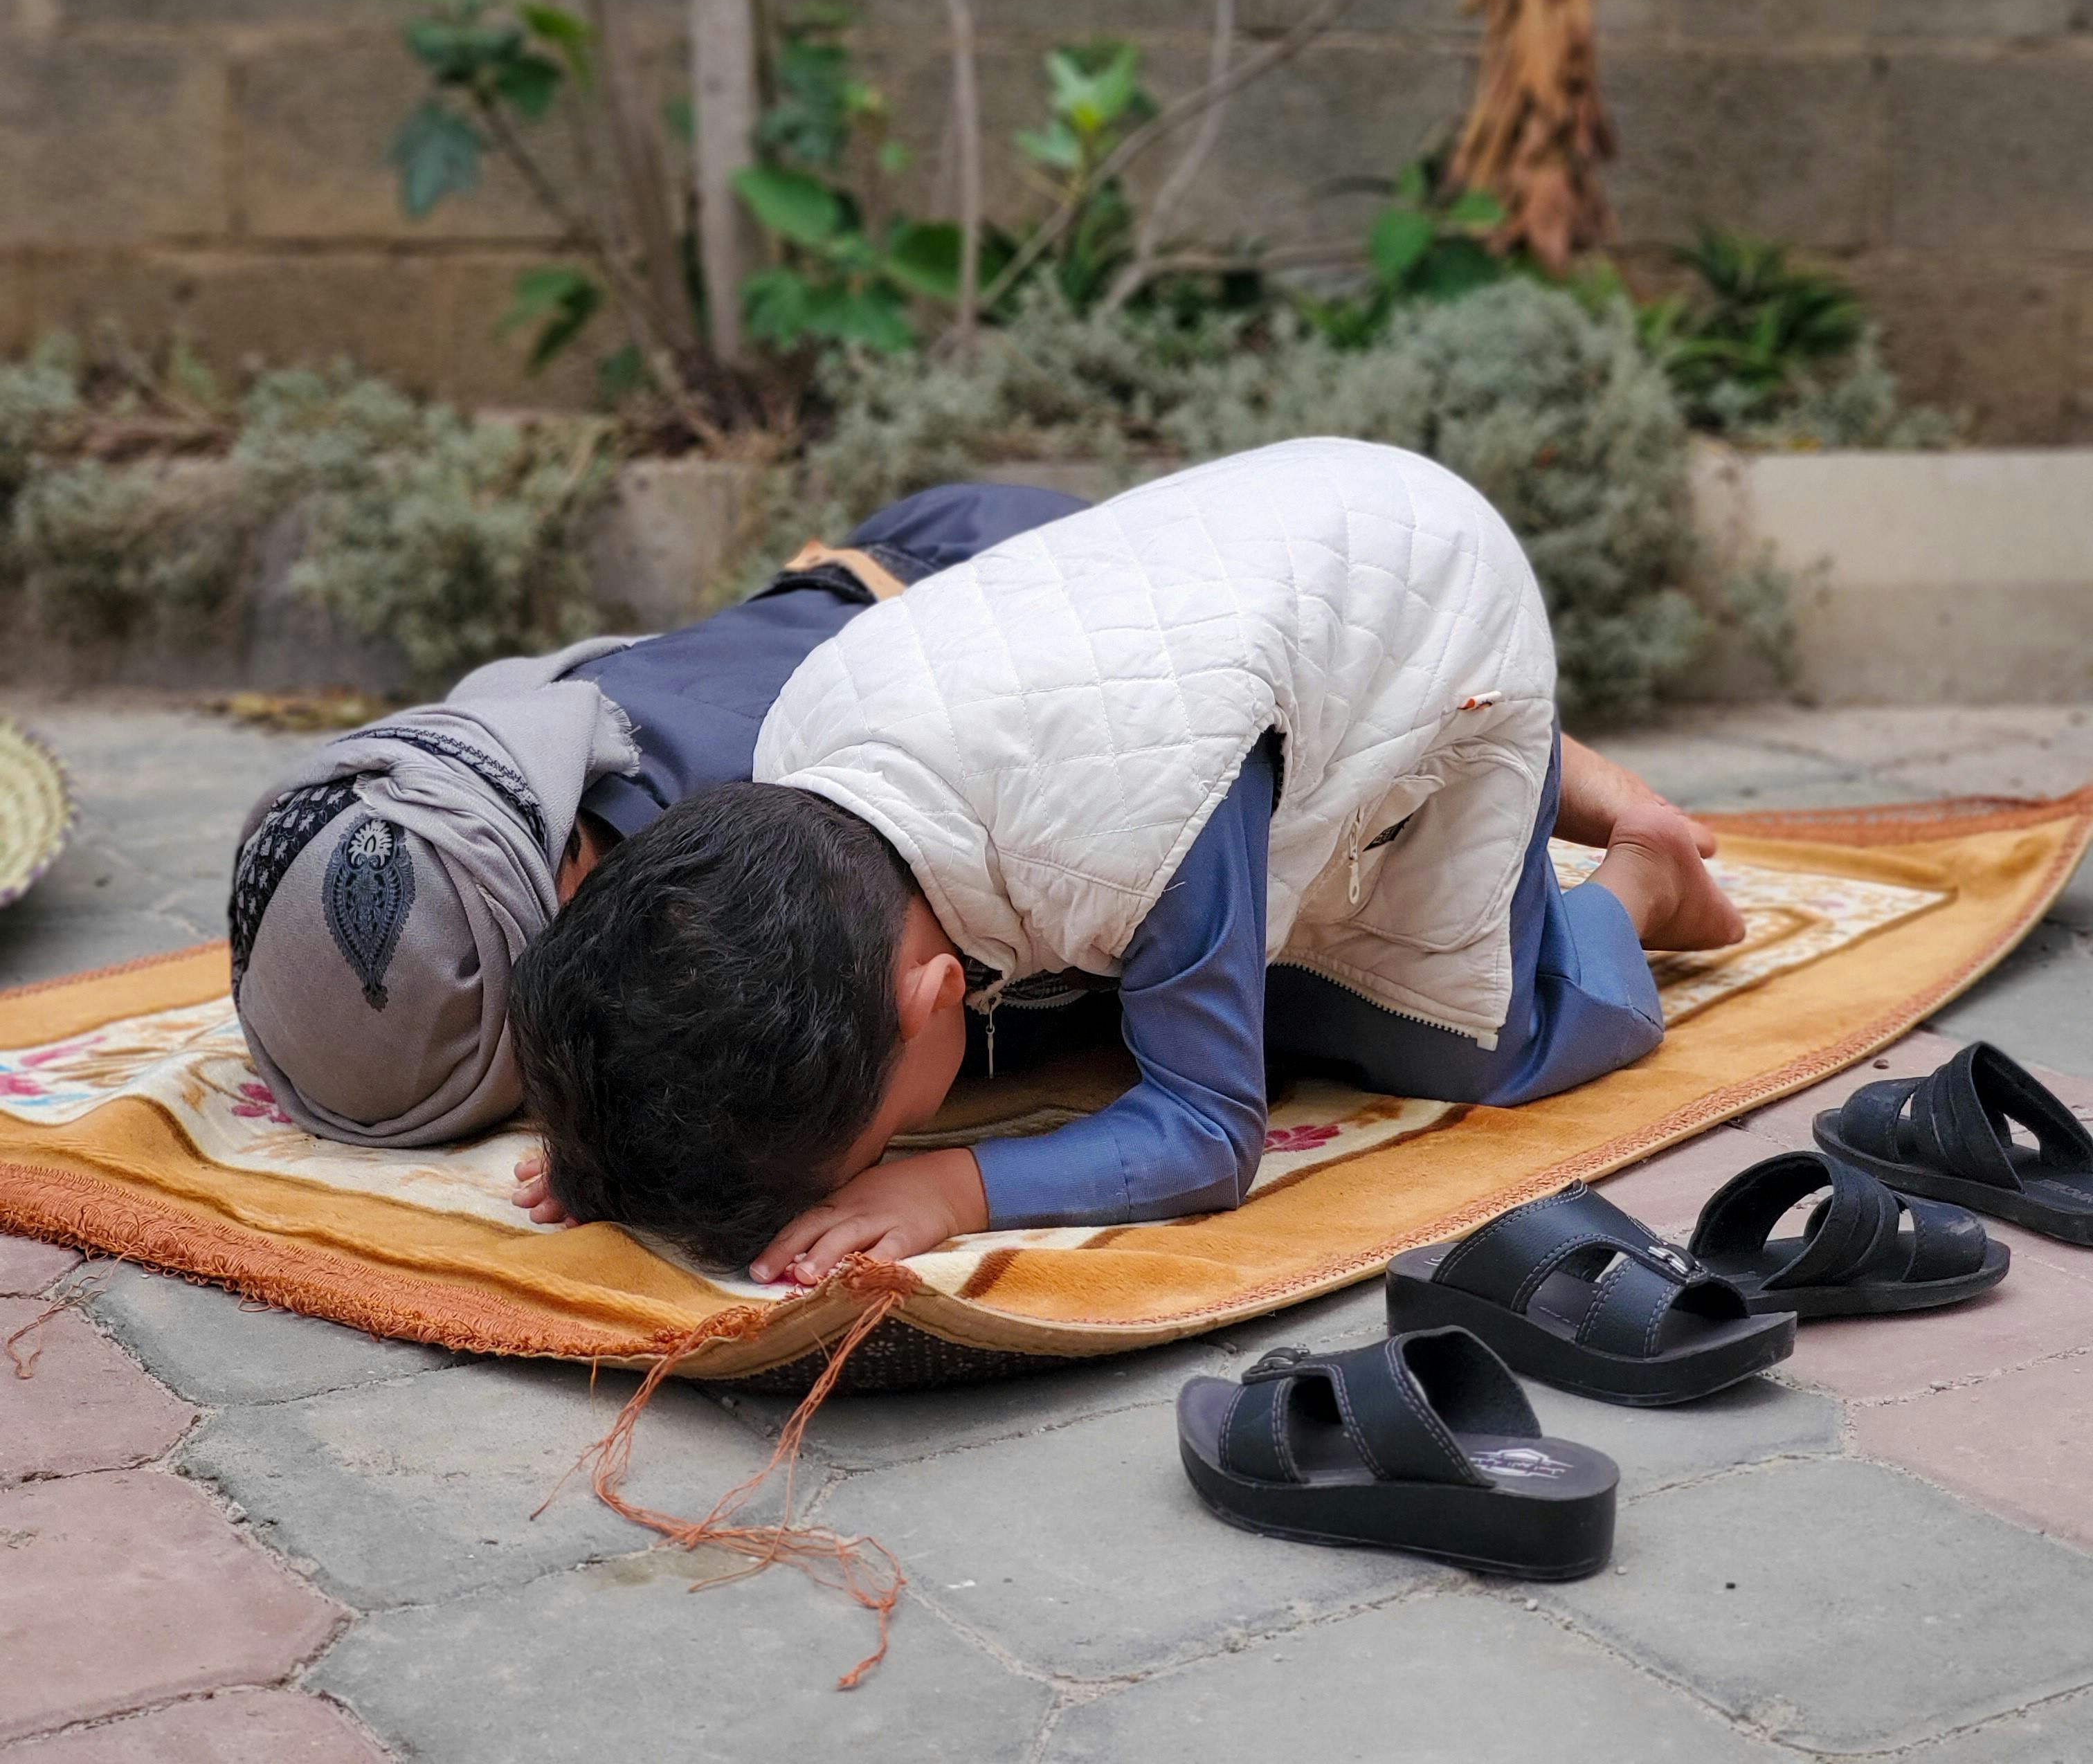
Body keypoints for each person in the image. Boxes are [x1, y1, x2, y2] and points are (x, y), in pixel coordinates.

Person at [506, 437, 1742, 1280]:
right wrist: (616, 1147)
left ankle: (1637, 874)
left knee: (1460, 1044)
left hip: (1425, 591)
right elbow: (691, 968)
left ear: (935, 995)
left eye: (877, 1138)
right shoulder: (800, 746)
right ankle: (1564, 785)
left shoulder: (1126, 832)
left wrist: (949, 1192)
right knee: (1200, 997)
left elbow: (1208, 1131)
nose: (884, 1161)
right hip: (1244, 572)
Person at [226, 482, 1085, 1147]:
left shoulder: (781, 853)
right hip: (939, 529)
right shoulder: (535, 726)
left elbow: (914, 1037)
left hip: (1036, 573)